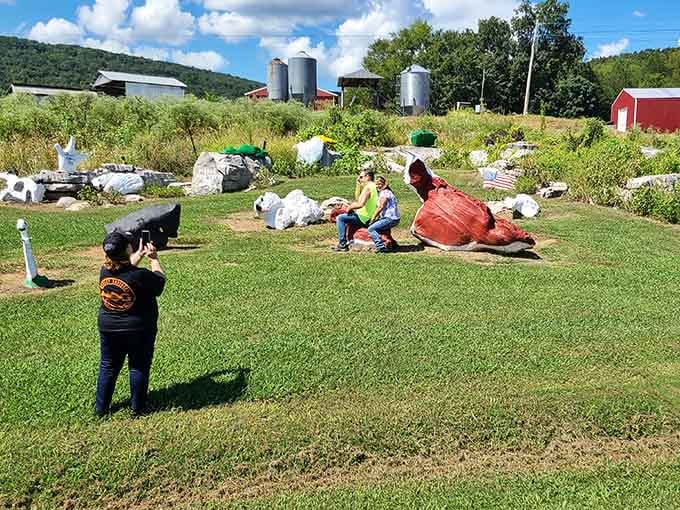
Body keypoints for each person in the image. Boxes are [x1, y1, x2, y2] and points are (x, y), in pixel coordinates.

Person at [95, 232, 166, 417]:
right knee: (138, 366)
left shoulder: (105, 270)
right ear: (127, 249)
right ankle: (138, 408)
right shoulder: (140, 275)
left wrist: (140, 254)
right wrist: (153, 260)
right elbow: (159, 283)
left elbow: (126, 268)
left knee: (108, 366)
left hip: (108, 326)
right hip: (138, 328)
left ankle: (101, 409)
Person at [332, 169, 378, 252]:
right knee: (346, 215)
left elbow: (361, 204)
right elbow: (358, 199)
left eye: (361, 177)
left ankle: (342, 244)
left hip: (364, 217)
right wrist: (358, 185)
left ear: (368, 177)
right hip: (367, 215)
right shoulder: (373, 186)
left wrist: (350, 208)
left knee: (340, 218)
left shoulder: (368, 188)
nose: (359, 179)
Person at [368, 175, 401, 252]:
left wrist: (373, 218)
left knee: (371, 229)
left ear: (384, 184)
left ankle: (381, 247)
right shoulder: (388, 192)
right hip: (394, 218)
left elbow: (381, 206)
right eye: (376, 184)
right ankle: (393, 243)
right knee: (383, 229)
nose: (378, 186)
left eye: (380, 184)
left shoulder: (384, 193)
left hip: (390, 218)